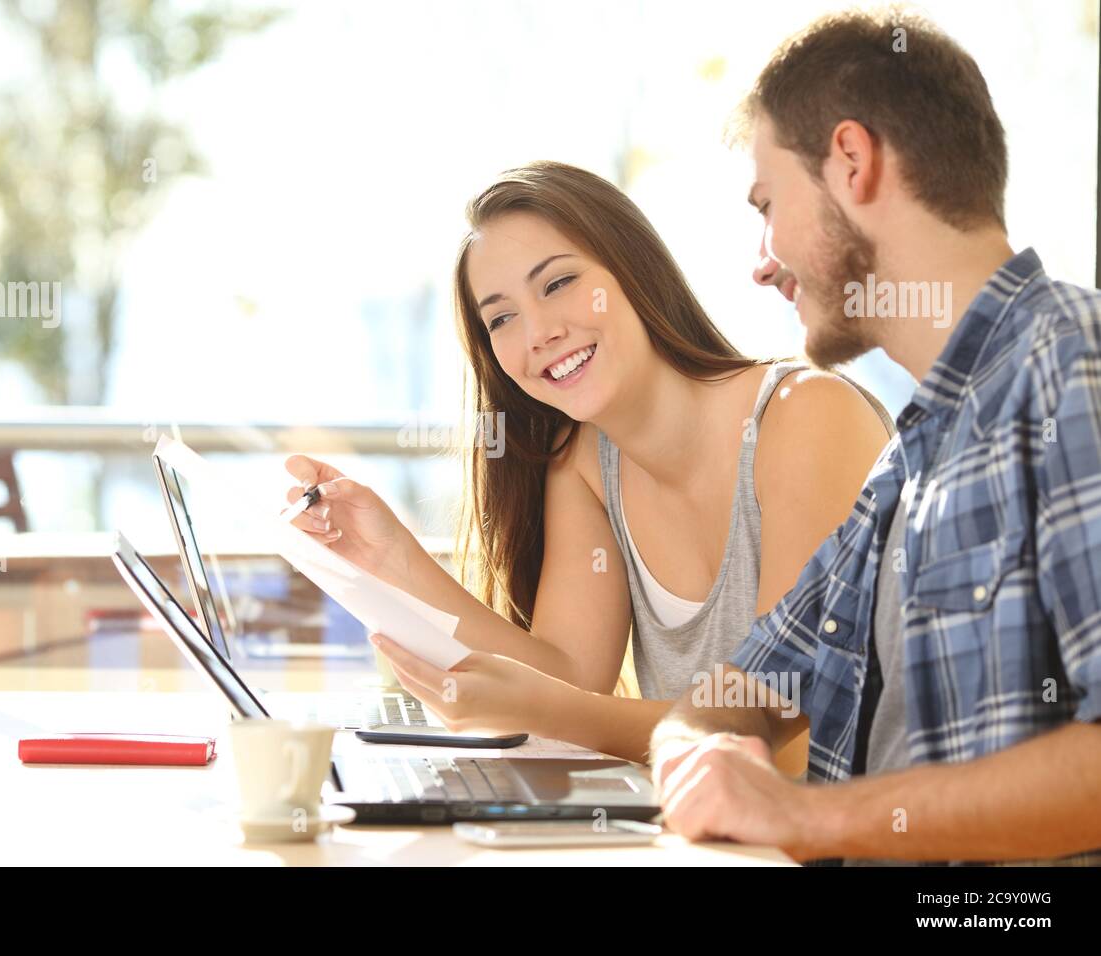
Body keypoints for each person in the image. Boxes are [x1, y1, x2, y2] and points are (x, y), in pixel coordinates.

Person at [651, 7, 1101, 865]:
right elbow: (728, 699)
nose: (761, 261)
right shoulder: (905, 465)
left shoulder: (1072, 364)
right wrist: (692, 755)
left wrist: (809, 818)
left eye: (767, 204)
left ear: (852, 162)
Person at [284, 161, 890, 765]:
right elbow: (568, 676)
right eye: (501, 318)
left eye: (557, 283)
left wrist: (542, 709)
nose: (538, 332)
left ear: (633, 266)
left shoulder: (809, 415)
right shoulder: (585, 463)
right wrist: (391, 557)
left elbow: (783, 731)